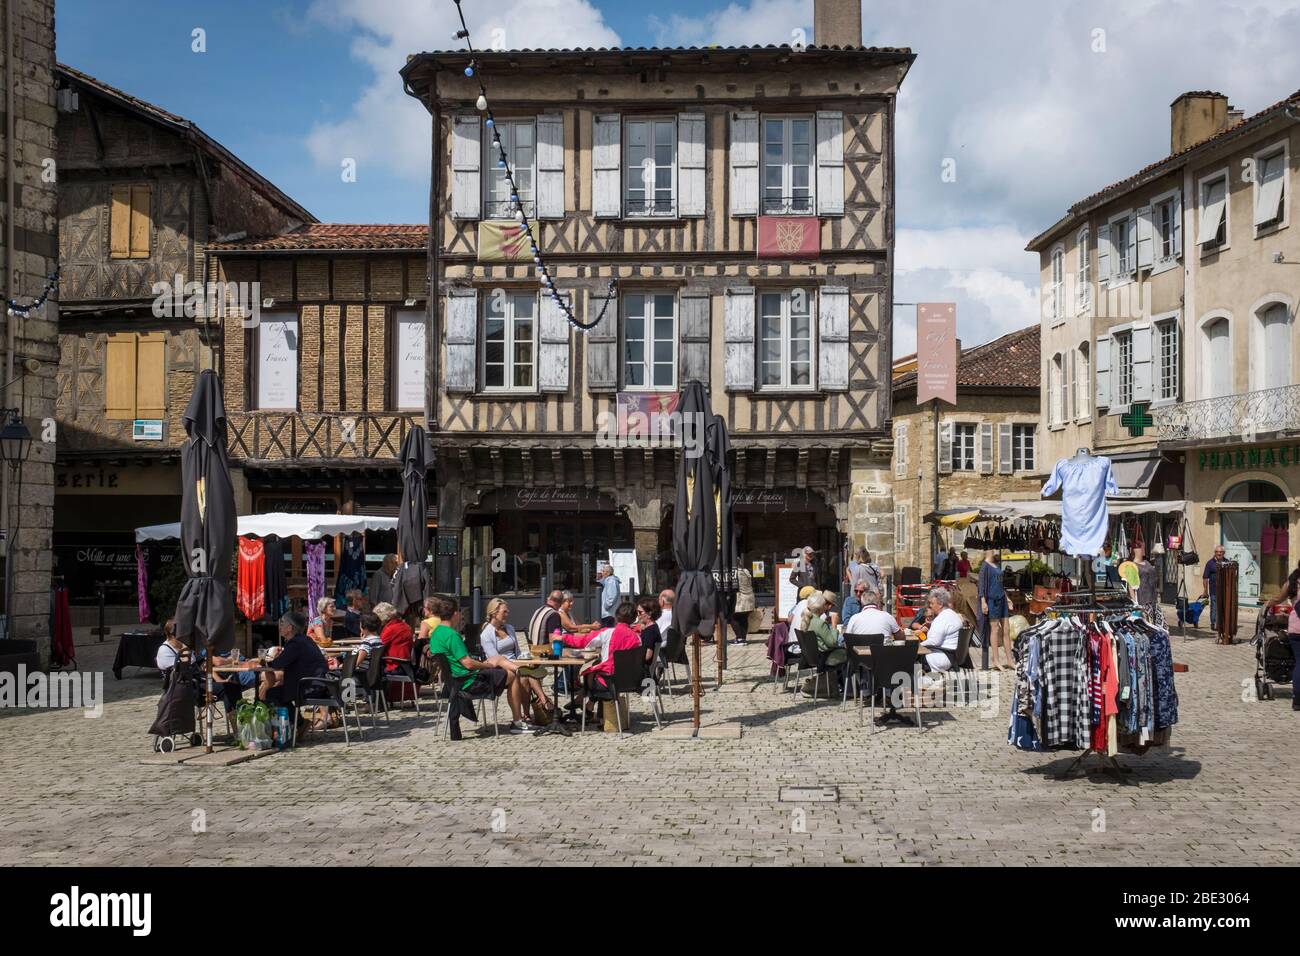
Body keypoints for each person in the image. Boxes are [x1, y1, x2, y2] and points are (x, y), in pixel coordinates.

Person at [426, 597, 534, 738]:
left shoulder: (436, 633)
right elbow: (468, 663)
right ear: (455, 614)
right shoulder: (452, 635)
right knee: (512, 676)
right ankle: (517, 722)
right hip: (468, 682)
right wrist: (487, 665)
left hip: (452, 681)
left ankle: (517, 670)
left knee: (498, 659)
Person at [560, 600, 642, 724]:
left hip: (609, 681)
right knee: (596, 669)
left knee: (591, 676)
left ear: (617, 616)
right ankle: (591, 709)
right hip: (630, 680)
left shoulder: (608, 633)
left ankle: (585, 704)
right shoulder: (637, 638)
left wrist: (562, 637)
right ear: (634, 618)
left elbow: (584, 642)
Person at [479, 597, 550, 725]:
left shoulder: (509, 628)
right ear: (494, 613)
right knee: (524, 676)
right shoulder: (486, 634)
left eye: (507, 611)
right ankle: (543, 702)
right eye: (504, 612)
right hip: (501, 668)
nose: (507, 614)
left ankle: (530, 713)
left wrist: (526, 659)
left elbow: (517, 652)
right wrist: (520, 664)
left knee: (526, 674)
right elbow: (495, 659)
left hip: (517, 664)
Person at [258, 611, 329, 729]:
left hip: (310, 686)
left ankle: (296, 725)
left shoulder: (295, 643)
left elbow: (277, 664)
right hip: (319, 683)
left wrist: (268, 658)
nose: (279, 626)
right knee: (279, 691)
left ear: (290, 628)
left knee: (272, 693)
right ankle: (300, 723)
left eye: (282, 623)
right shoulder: (304, 640)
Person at [797, 593, 845, 697]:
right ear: (820, 608)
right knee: (849, 654)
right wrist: (834, 625)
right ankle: (848, 688)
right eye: (824, 605)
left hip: (811, 657)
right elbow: (832, 643)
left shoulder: (807, 620)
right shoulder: (819, 623)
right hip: (824, 657)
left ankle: (839, 685)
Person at [1270, 559, 1300, 711]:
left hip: (1296, 627)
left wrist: (1267, 605)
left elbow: (1278, 599)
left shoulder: (1293, 582)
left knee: (1299, 662)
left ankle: (1297, 700)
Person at [919, 588, 964, 688]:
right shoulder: (952, 615)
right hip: (953, 655)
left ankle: (915, 686)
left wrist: (918, 645)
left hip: (942, 656)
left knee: (912, 657)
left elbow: (934, 641)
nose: (930, 605)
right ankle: (930, 681)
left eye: (932, 603)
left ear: (940, 604)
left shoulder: (942, 619)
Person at [374, 601, 414, 704]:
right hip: (405, 664)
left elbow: (378, 646)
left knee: (370, 670)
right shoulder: (405, 626)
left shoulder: (390, 629)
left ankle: (375, 702)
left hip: (394, 665)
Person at [978, 550, 1011, 670]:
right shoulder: (985, 567)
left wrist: (1007, 599)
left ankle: (1010, 660)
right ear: (988, 551)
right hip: (992, 600)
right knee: (995, 629)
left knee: (1007, 629)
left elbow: (1000, 584)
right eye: (994, 548)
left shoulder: (997, 565)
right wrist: (983, 602)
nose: (997, 550)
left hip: (1002, 599)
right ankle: (996, 660)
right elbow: (981, 586)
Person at [1128, 545, 1164, 627]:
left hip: (1153, 598)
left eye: (1142, 547)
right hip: (1143, 599)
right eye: (1140, 548)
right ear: (1134, 551)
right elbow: (1130, 585)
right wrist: (1135, 602)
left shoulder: (1147, 562)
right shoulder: (1132, 566)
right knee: (1149, 625)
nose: (1142, 549)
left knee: (1160, 625)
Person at [1199, 546, 1227, 631]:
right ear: (1215, 553)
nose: (1219, 553)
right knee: (1214, 606)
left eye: (1221, 552)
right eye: (1217, 552)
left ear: (1223, 553)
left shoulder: (1227, 562)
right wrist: (1205, 590)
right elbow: (1205, 577)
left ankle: (1222, 623)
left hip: (1225, 590)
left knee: (1223, 607)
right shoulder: (1210, 563)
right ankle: (1213, 623)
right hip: (1214, 589)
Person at [730, 563, 755, 645]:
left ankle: (739, 638)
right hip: (750, 598)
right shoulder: (746, 571)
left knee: (733, 618)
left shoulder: (734, 573)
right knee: (744, 619)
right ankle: (743, 638)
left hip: (741, 599)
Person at [634, 595, 662, 667]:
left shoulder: (650, 632)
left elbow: (648, 655)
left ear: (649, 614)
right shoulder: (652, 627)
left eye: (640, 612)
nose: (638, 615)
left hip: (642, 668)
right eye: (637, 612)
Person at [597, 562, 621, 626]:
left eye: (603, 571)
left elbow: (611, 597)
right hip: (608, 613)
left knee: (608, 630)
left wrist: (606, 606)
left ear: (608, 573)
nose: (602, 573)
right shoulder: (608, 581)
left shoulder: (611, 581)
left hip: (610, 614)